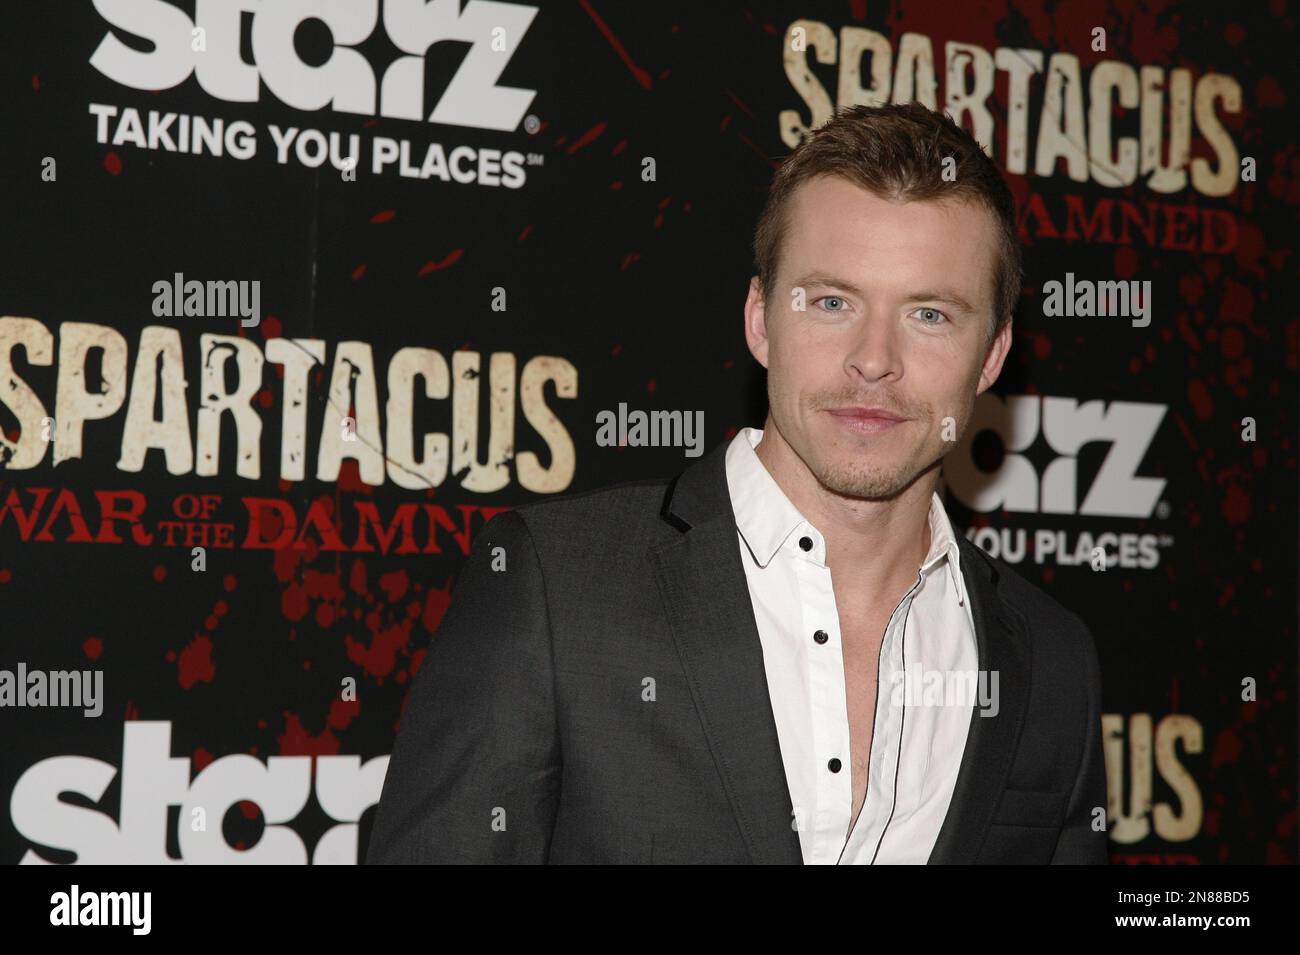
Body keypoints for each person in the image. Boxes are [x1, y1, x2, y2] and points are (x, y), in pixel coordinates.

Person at [366, 102, 1109, 864]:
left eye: (929, 314)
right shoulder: (558, 589)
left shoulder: (1052, 661)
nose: (873, 358)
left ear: (991, 355)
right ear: (760, 320)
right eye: (831, 302)